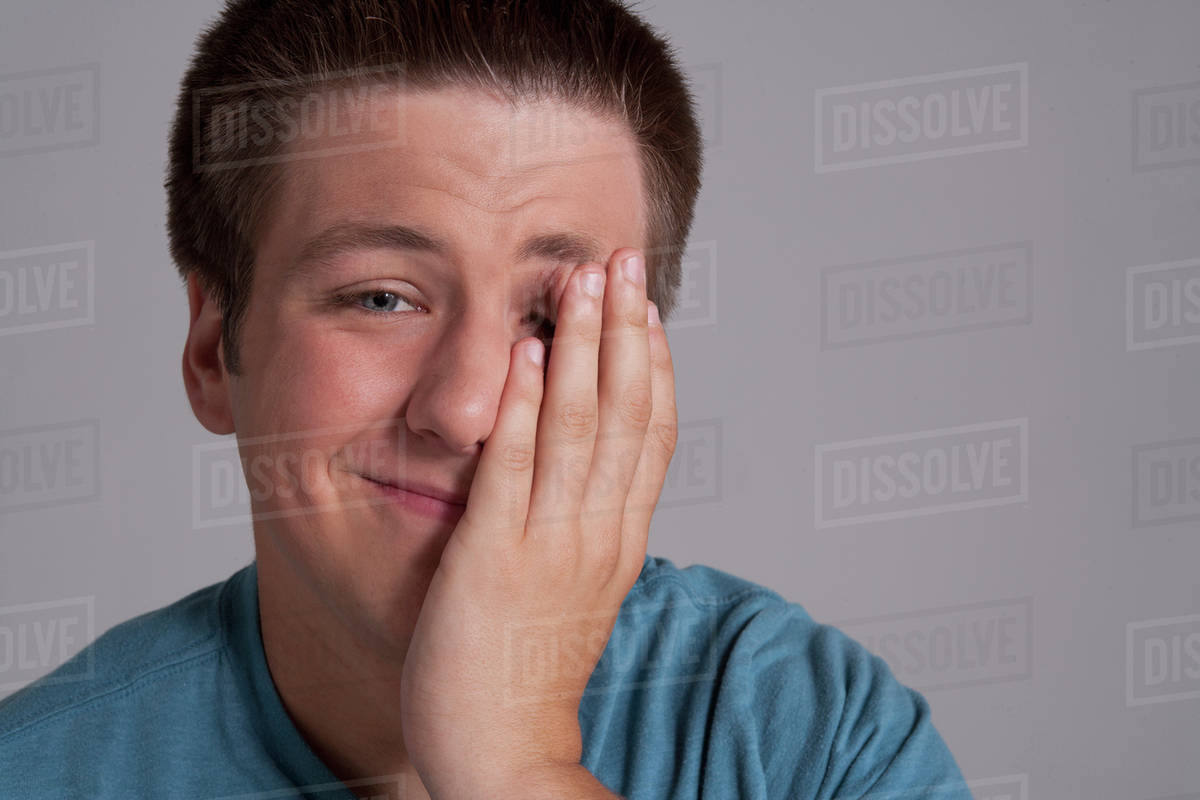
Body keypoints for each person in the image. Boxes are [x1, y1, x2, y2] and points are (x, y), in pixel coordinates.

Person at [0, 1, 973, 798]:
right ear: (216, 350)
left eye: (551, 319)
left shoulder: (815, 737)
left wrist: (517, 760)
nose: (465, 410)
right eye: (382, 298)